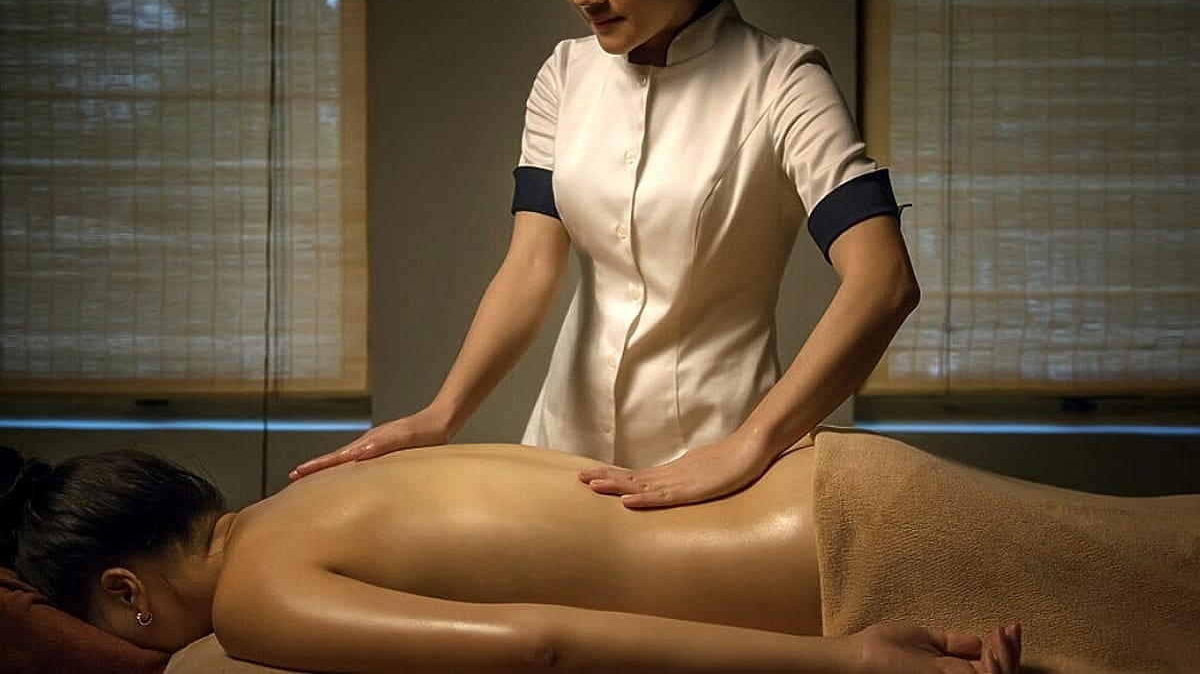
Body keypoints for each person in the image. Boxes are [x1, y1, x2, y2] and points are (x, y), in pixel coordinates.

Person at [293, 0, 920, 509]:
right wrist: (442, 414)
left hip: (714, 465)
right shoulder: (564, 77)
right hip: (562, 456)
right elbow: (531, 266)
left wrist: (752, 442)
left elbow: (884, 280)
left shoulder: (784, 81)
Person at [0, 437, 1029, 674]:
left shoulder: (260, 597)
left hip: (839, 562)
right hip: (830, 488)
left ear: (123, 590)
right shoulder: (318, 492)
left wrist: (851, 661)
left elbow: (539, 645)